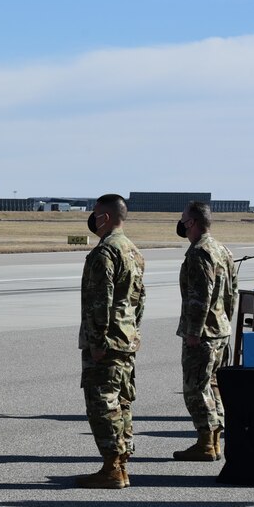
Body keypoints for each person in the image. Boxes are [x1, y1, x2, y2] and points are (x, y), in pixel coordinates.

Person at [76, 194, 145, 489]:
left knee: (102, 403)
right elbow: (140, 299)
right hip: (126, 336)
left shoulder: (105, 252)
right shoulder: (133, 250)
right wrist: (130, 329)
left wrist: (98, 339)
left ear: (104, 217)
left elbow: (99, 301)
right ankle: (121, 463)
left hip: (107, 339)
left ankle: (112, 467)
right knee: (122, 402)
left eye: (95, 213)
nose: (92, 217)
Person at [173, 201, 237, 461]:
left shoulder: (200, 252)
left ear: (193, 223)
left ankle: (206, 442)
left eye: (183, 218)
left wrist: (194, 332)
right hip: (219, 329)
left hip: (203, 333)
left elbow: (201, 296)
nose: (180, 222)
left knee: (195, 387)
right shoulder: (222, 249)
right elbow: (232, 292)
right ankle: (215, 440)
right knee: (212, 385)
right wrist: (225, 322)